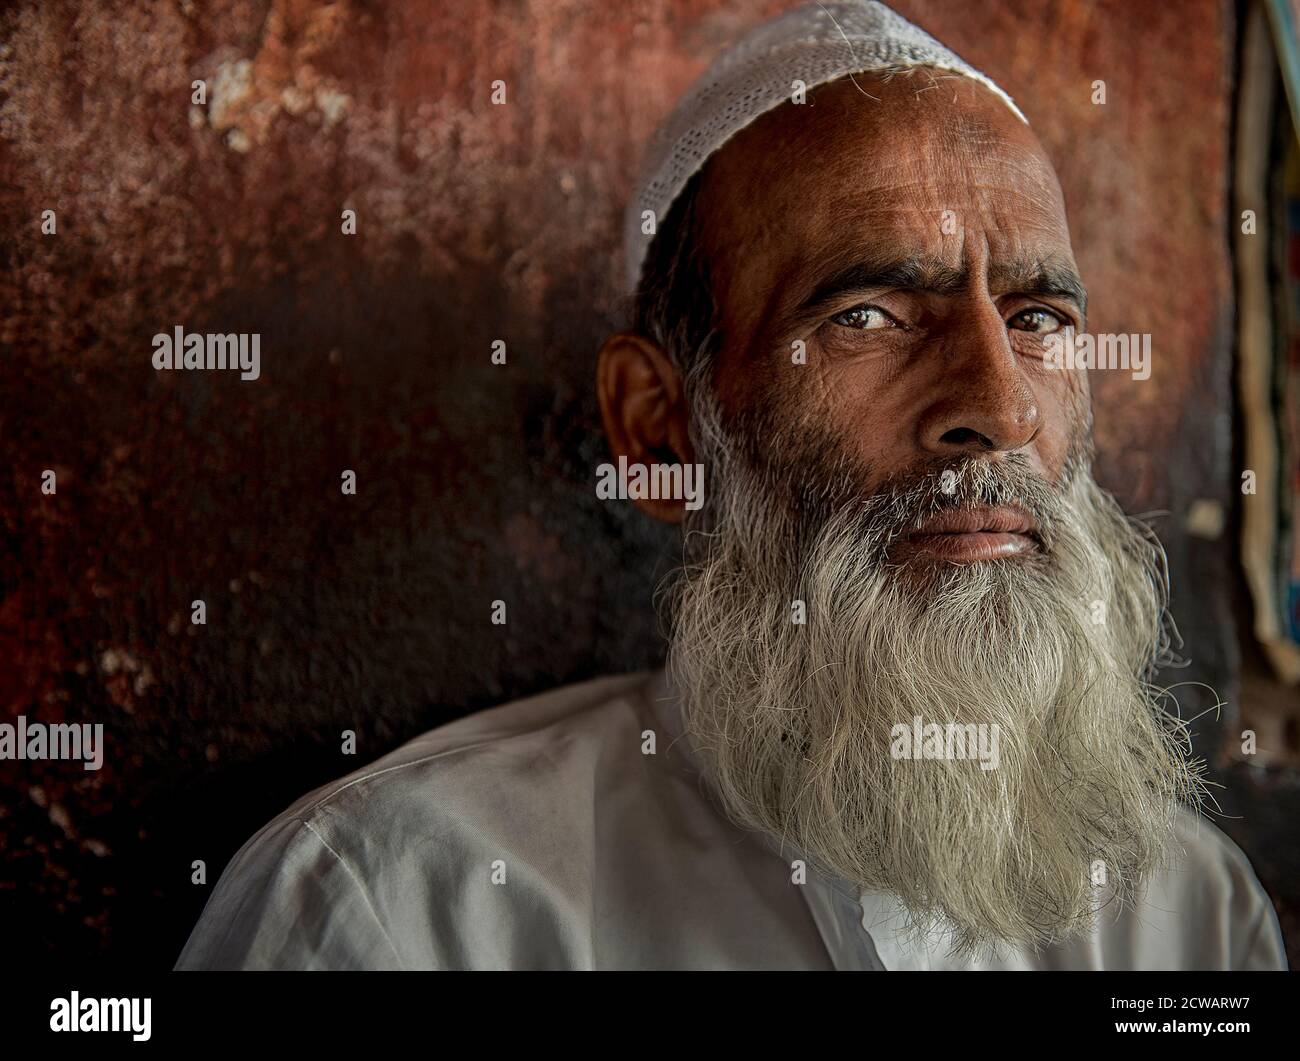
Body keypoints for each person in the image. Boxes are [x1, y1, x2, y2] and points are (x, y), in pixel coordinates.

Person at [175, 0, 1287, 970]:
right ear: (659, 432)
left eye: (1038, 319)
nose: (999, 407)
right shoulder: (405, 908)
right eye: (868, 315)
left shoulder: (1186, 913)